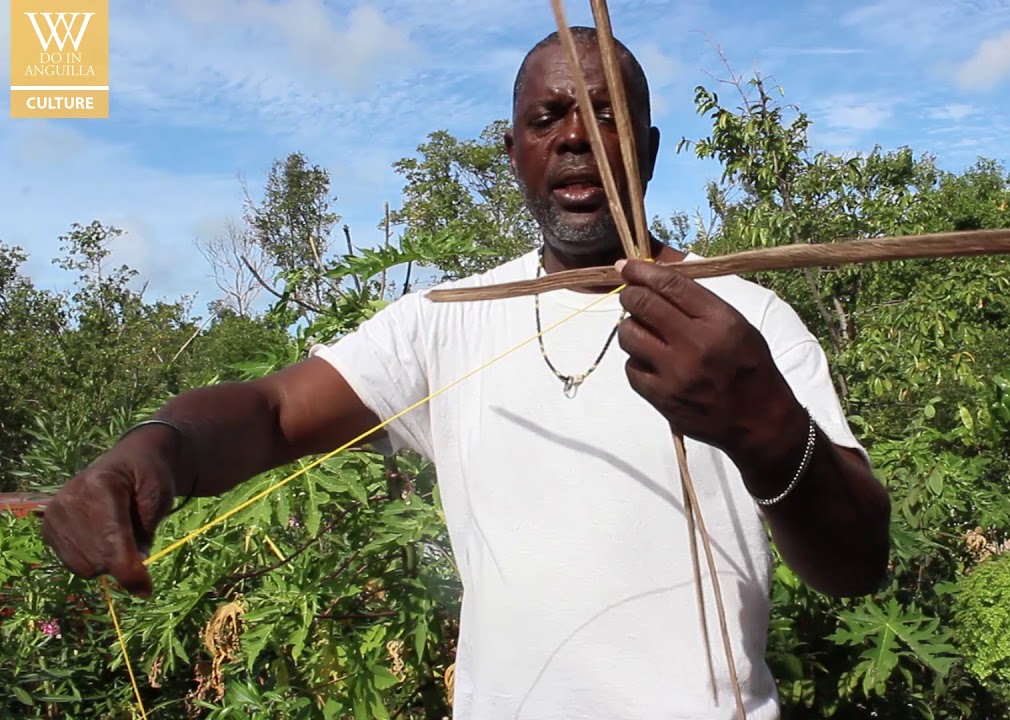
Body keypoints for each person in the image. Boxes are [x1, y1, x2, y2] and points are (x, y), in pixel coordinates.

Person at [39, 25, 890, 720]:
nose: (576, 140)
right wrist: (151, 450)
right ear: (513, 147)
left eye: (606, 116)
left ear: (653, 148)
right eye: (548, 117)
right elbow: (271, 409)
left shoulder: (745, 320)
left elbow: (857, 565)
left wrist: (769, 432)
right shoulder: (450, 318)